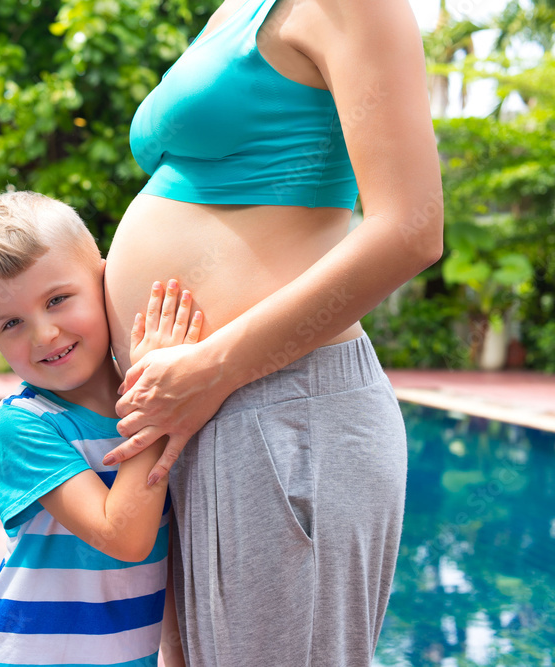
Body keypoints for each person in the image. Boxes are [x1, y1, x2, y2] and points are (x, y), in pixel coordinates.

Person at [100, 0, 444, 665]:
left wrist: (213, 368)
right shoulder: (234, 9)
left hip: (278, 405)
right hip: (188, 414)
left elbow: (412, 227)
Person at [0, 191, 201, 667]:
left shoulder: (152, 410)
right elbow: (124, 537)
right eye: (11, 323)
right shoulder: (22, 424)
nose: (44, 334)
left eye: (58, 300)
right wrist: (151, 397)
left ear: (105, 281)